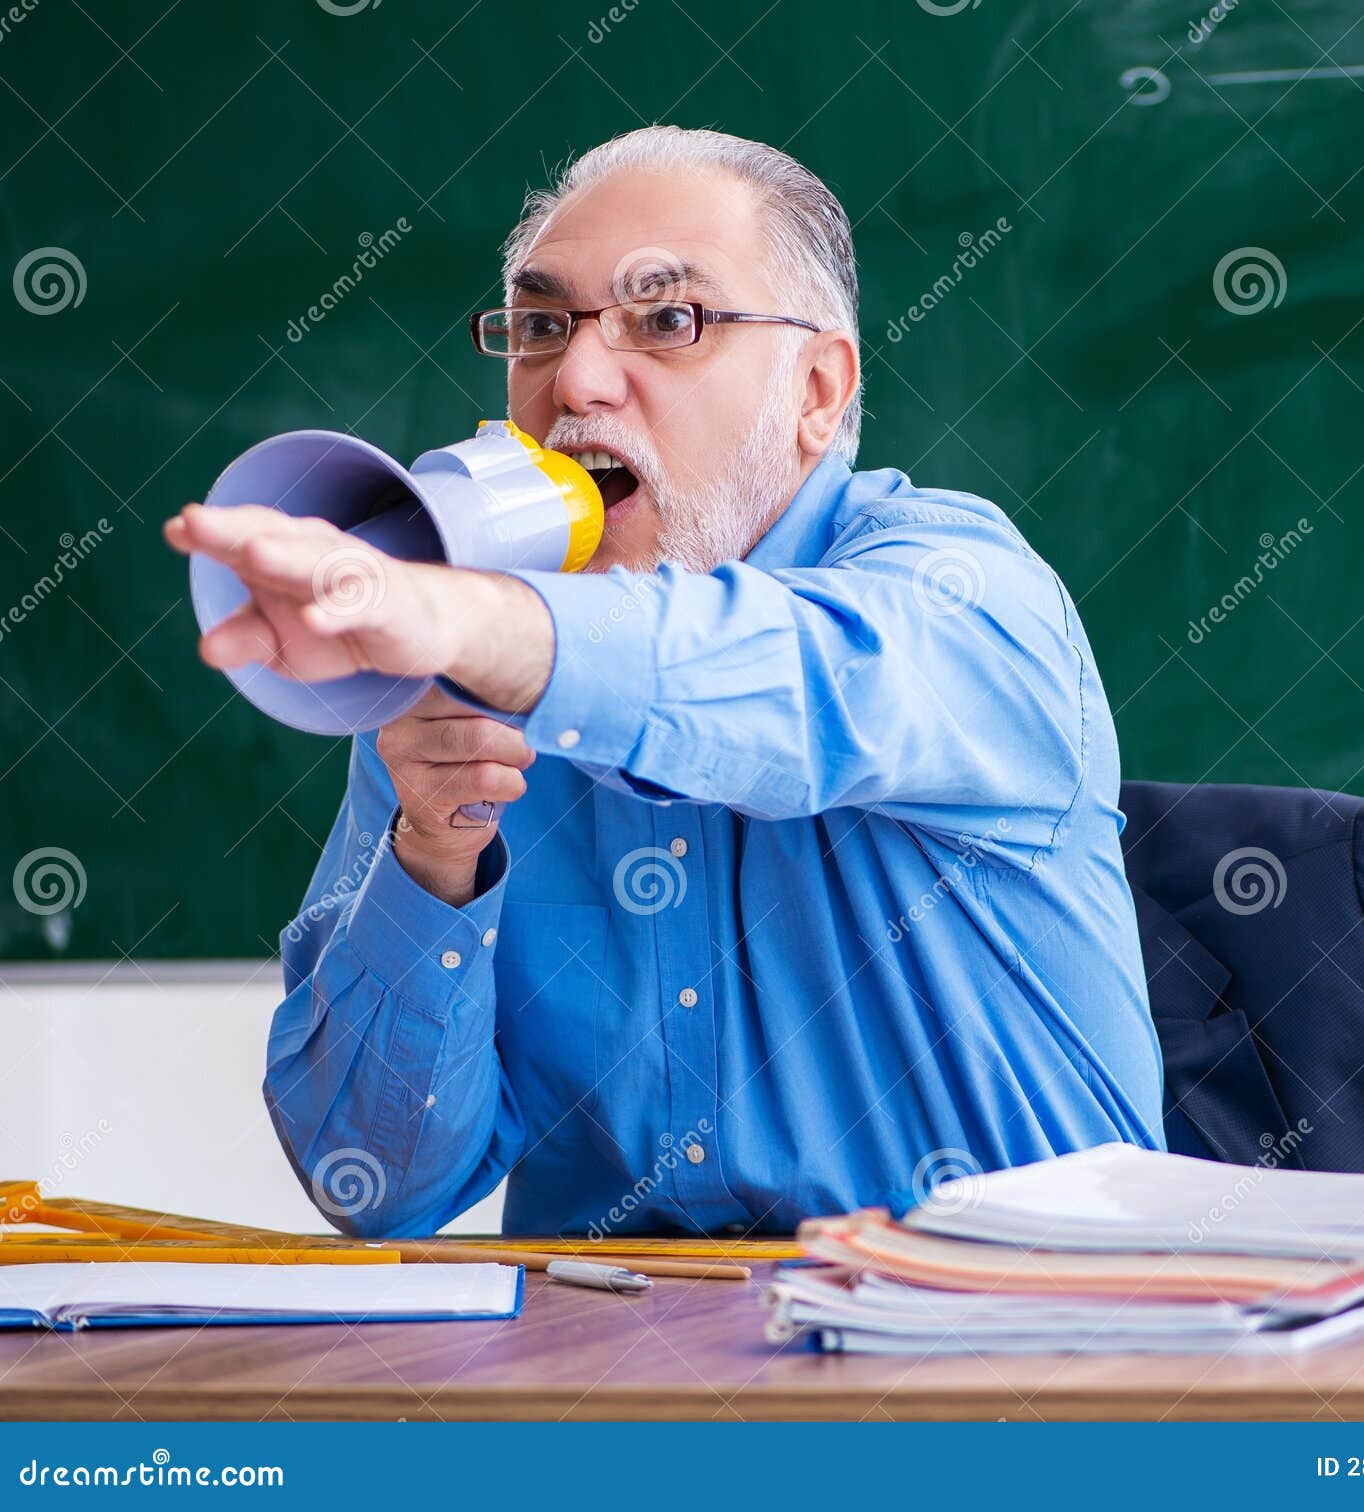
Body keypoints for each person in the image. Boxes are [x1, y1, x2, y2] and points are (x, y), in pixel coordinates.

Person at [165, 126, 1164, 1238]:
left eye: (668, 321)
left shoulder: (969, 601)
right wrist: (434, 859)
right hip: (623, 1378)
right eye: (542, 326)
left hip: (1011, 1367)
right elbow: (372, 1184)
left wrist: (469, 617)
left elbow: (779, 679)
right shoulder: (456, 657)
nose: (578, 379)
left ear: (817, 390)